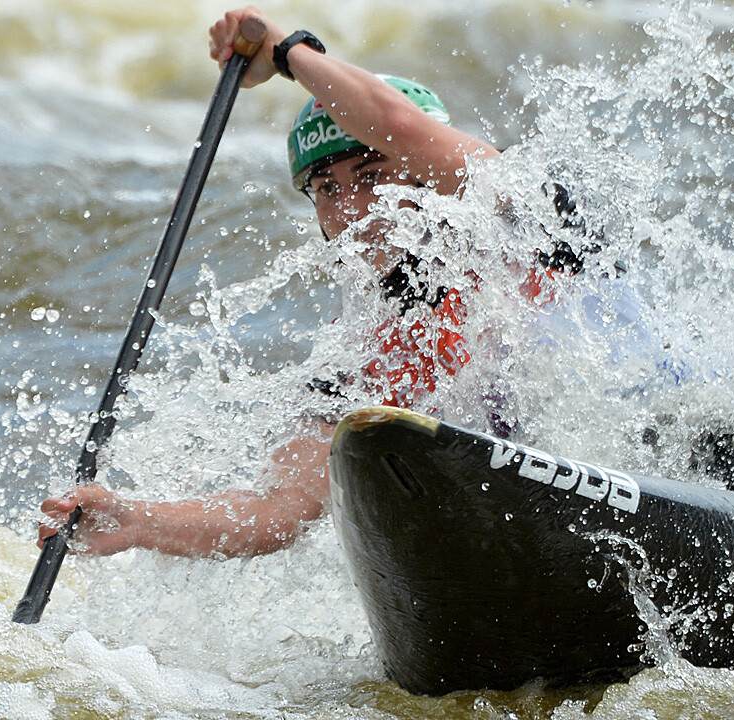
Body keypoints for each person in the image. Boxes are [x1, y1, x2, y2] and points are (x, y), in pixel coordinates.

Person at [39, 7, 504, 559]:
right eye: (326, 188)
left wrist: (286, 49)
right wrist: (136, 522)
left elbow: (401, 127)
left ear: (428, 169)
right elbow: (275, 512)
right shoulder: (362, 346)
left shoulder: (516, 211)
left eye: (373, 176)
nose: (350, 209)